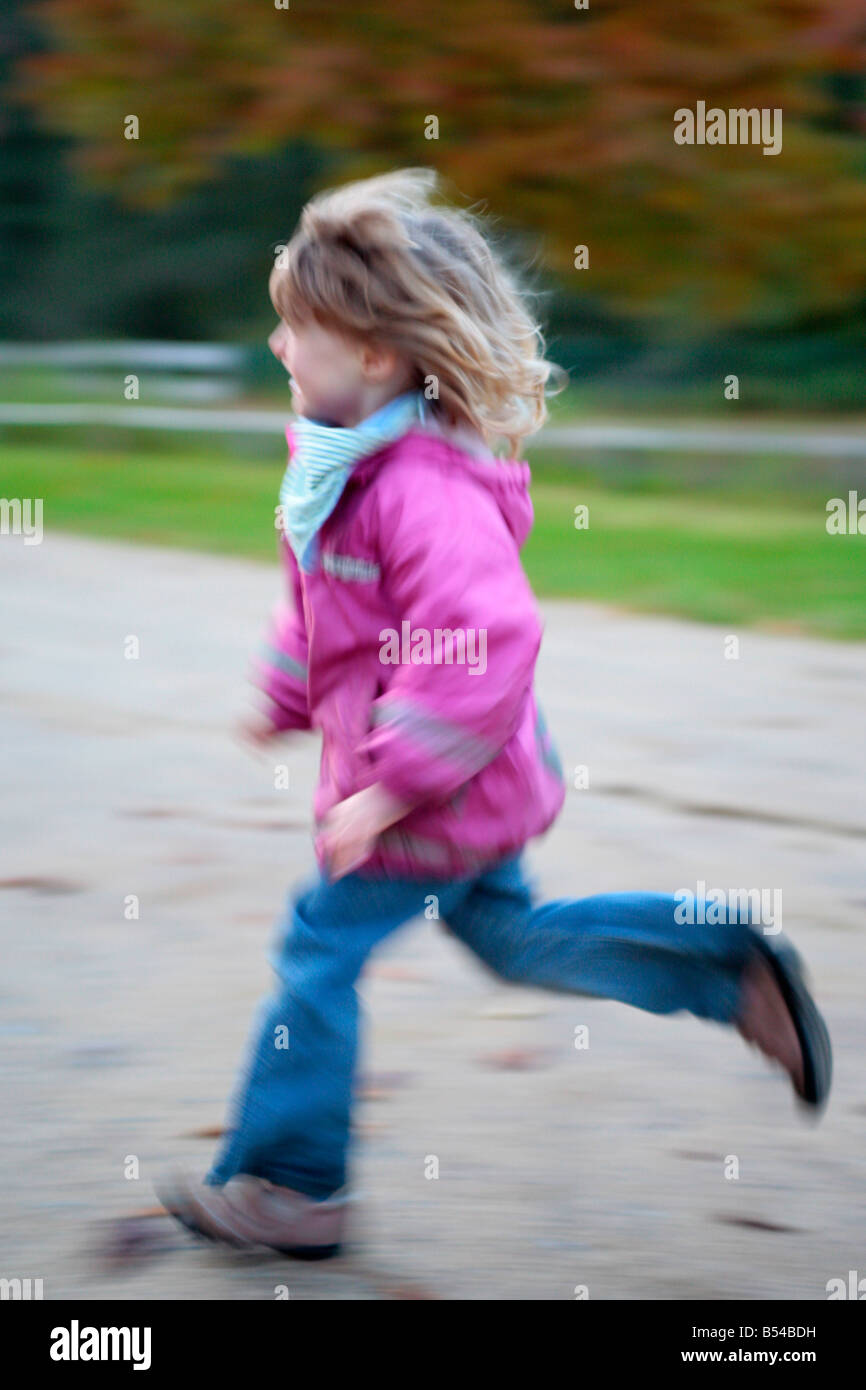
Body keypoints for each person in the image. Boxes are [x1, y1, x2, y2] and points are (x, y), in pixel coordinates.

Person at [157, 168, 831, 1260]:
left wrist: (386, 791)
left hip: (430, 790)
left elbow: (485, 647)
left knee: (317, 949)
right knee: (512, 940)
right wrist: (282, 696)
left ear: (374, 354)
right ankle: (728, 964)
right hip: (464, 787)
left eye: (296, 329)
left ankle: (293, 1186)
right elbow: (331, 610)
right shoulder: (340, 467)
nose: (278, 348)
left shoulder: (420, 487)